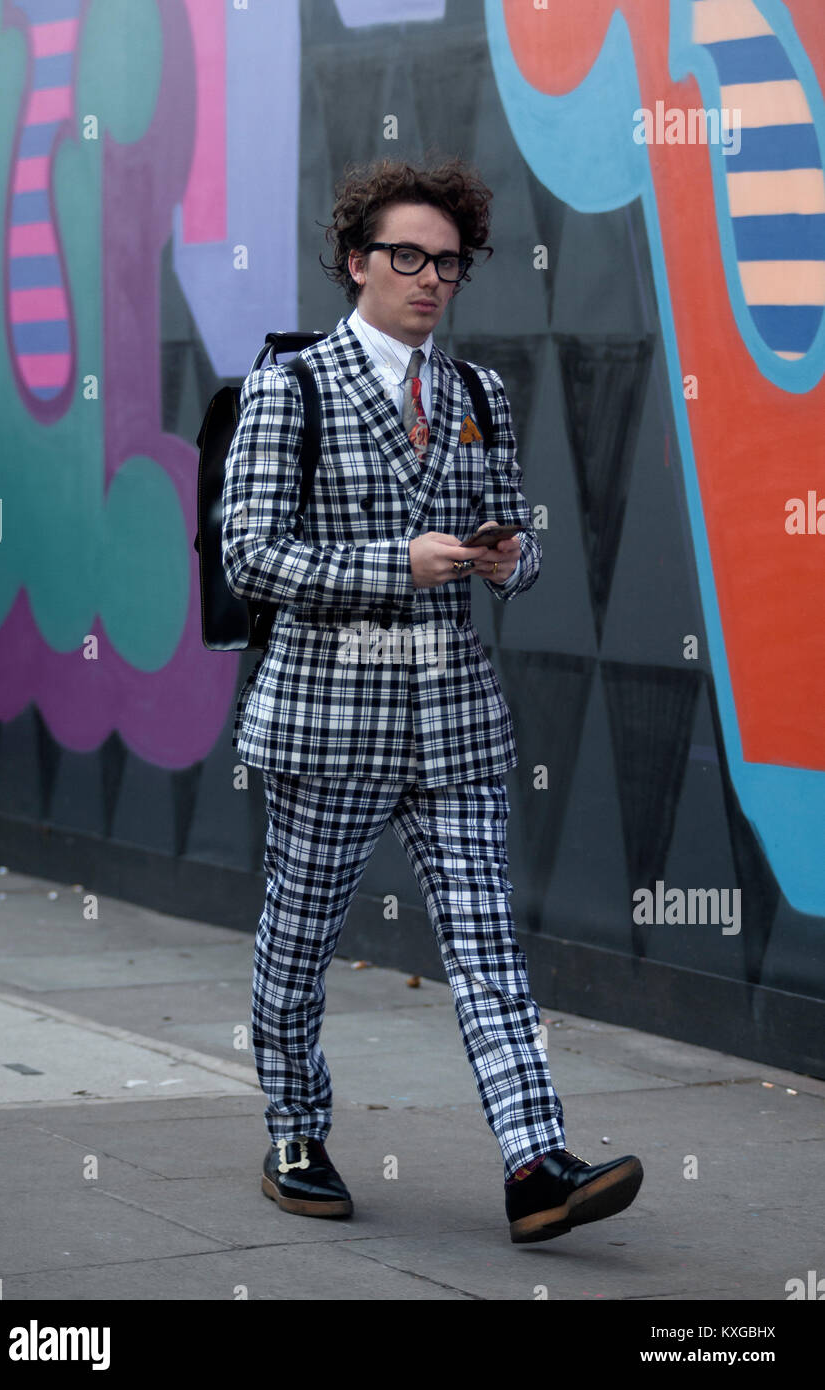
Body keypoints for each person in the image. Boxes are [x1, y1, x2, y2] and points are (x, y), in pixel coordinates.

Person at [221, 156, 643, 1243]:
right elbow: (252, 557)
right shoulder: (292, 386)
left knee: (488, 945)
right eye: (405, 257)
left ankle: (533, 1163)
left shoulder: (476, 393)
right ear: (355, 262)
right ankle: (295, 1135)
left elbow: (514, 532)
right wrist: (390, 567)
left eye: (447, 263)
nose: (429, 279)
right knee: (296, 941)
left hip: (453, 719)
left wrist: (509, 560)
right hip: (327, 722)